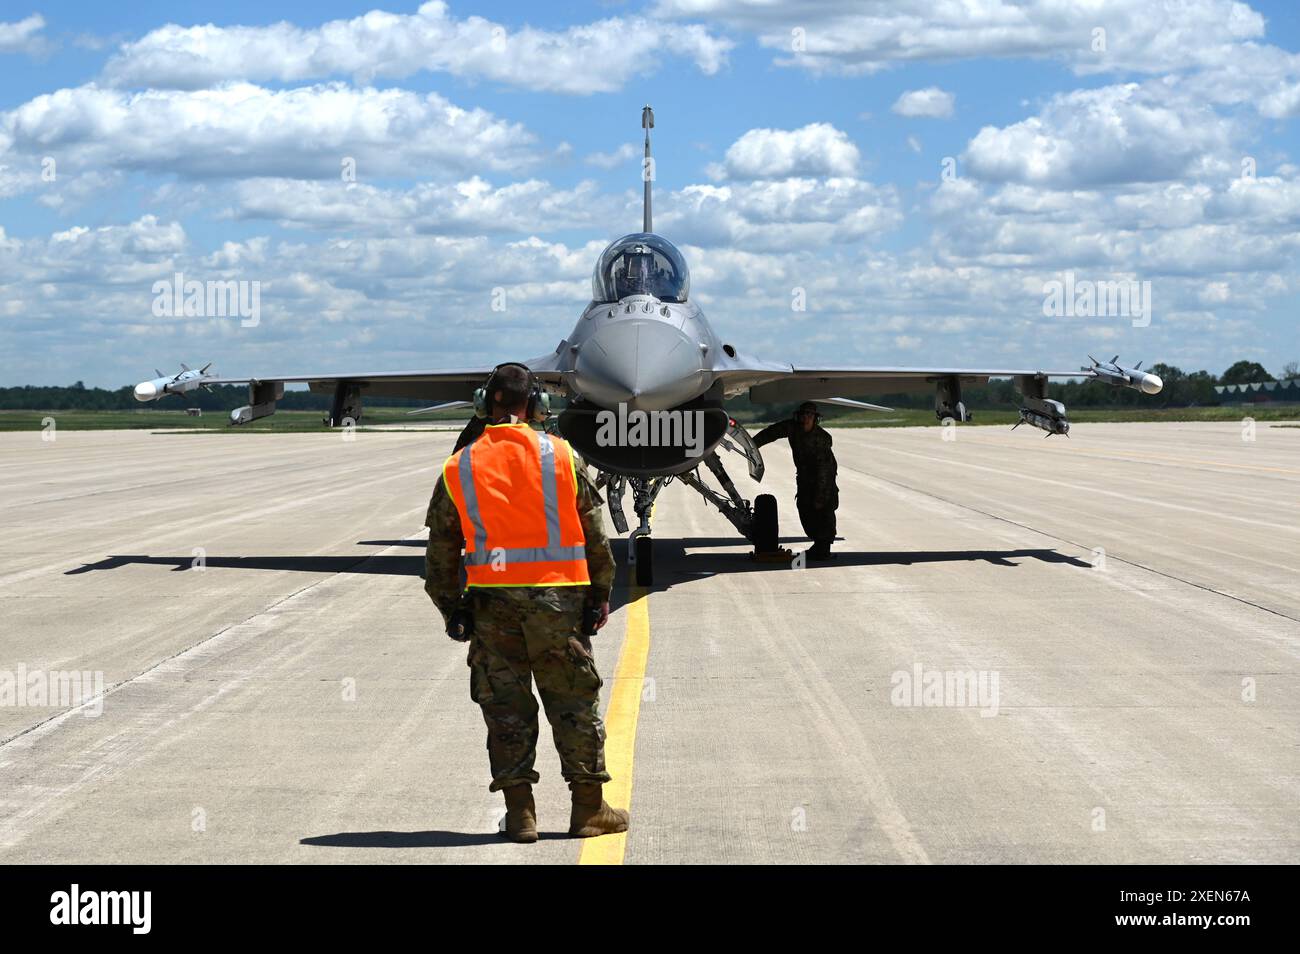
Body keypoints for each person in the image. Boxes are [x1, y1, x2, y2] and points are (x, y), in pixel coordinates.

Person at [423, 363, 626, 843]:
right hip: (559, 606)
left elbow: (440, 557)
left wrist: (453, 609)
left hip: (492, 611)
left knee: (506, 710)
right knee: (574, 704)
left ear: (482, 405)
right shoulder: (560, 455)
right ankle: (588, 811)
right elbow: (597, 538)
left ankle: (520, 816)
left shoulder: (460, 466)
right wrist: (600, 595)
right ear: (537, 407)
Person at [753, 401, 839, 560]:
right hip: (805, 479)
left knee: (823, 511)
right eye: (804, 414)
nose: (806, 418)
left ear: (815, 418)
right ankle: (818, 545)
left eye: (810, 415)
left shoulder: (822, 439)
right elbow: (771, 433)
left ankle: (823, 548)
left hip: (823, 480)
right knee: (805, 511)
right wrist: (753, 445)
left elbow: (825, 471)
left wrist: (820, 495)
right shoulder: (793, 428)